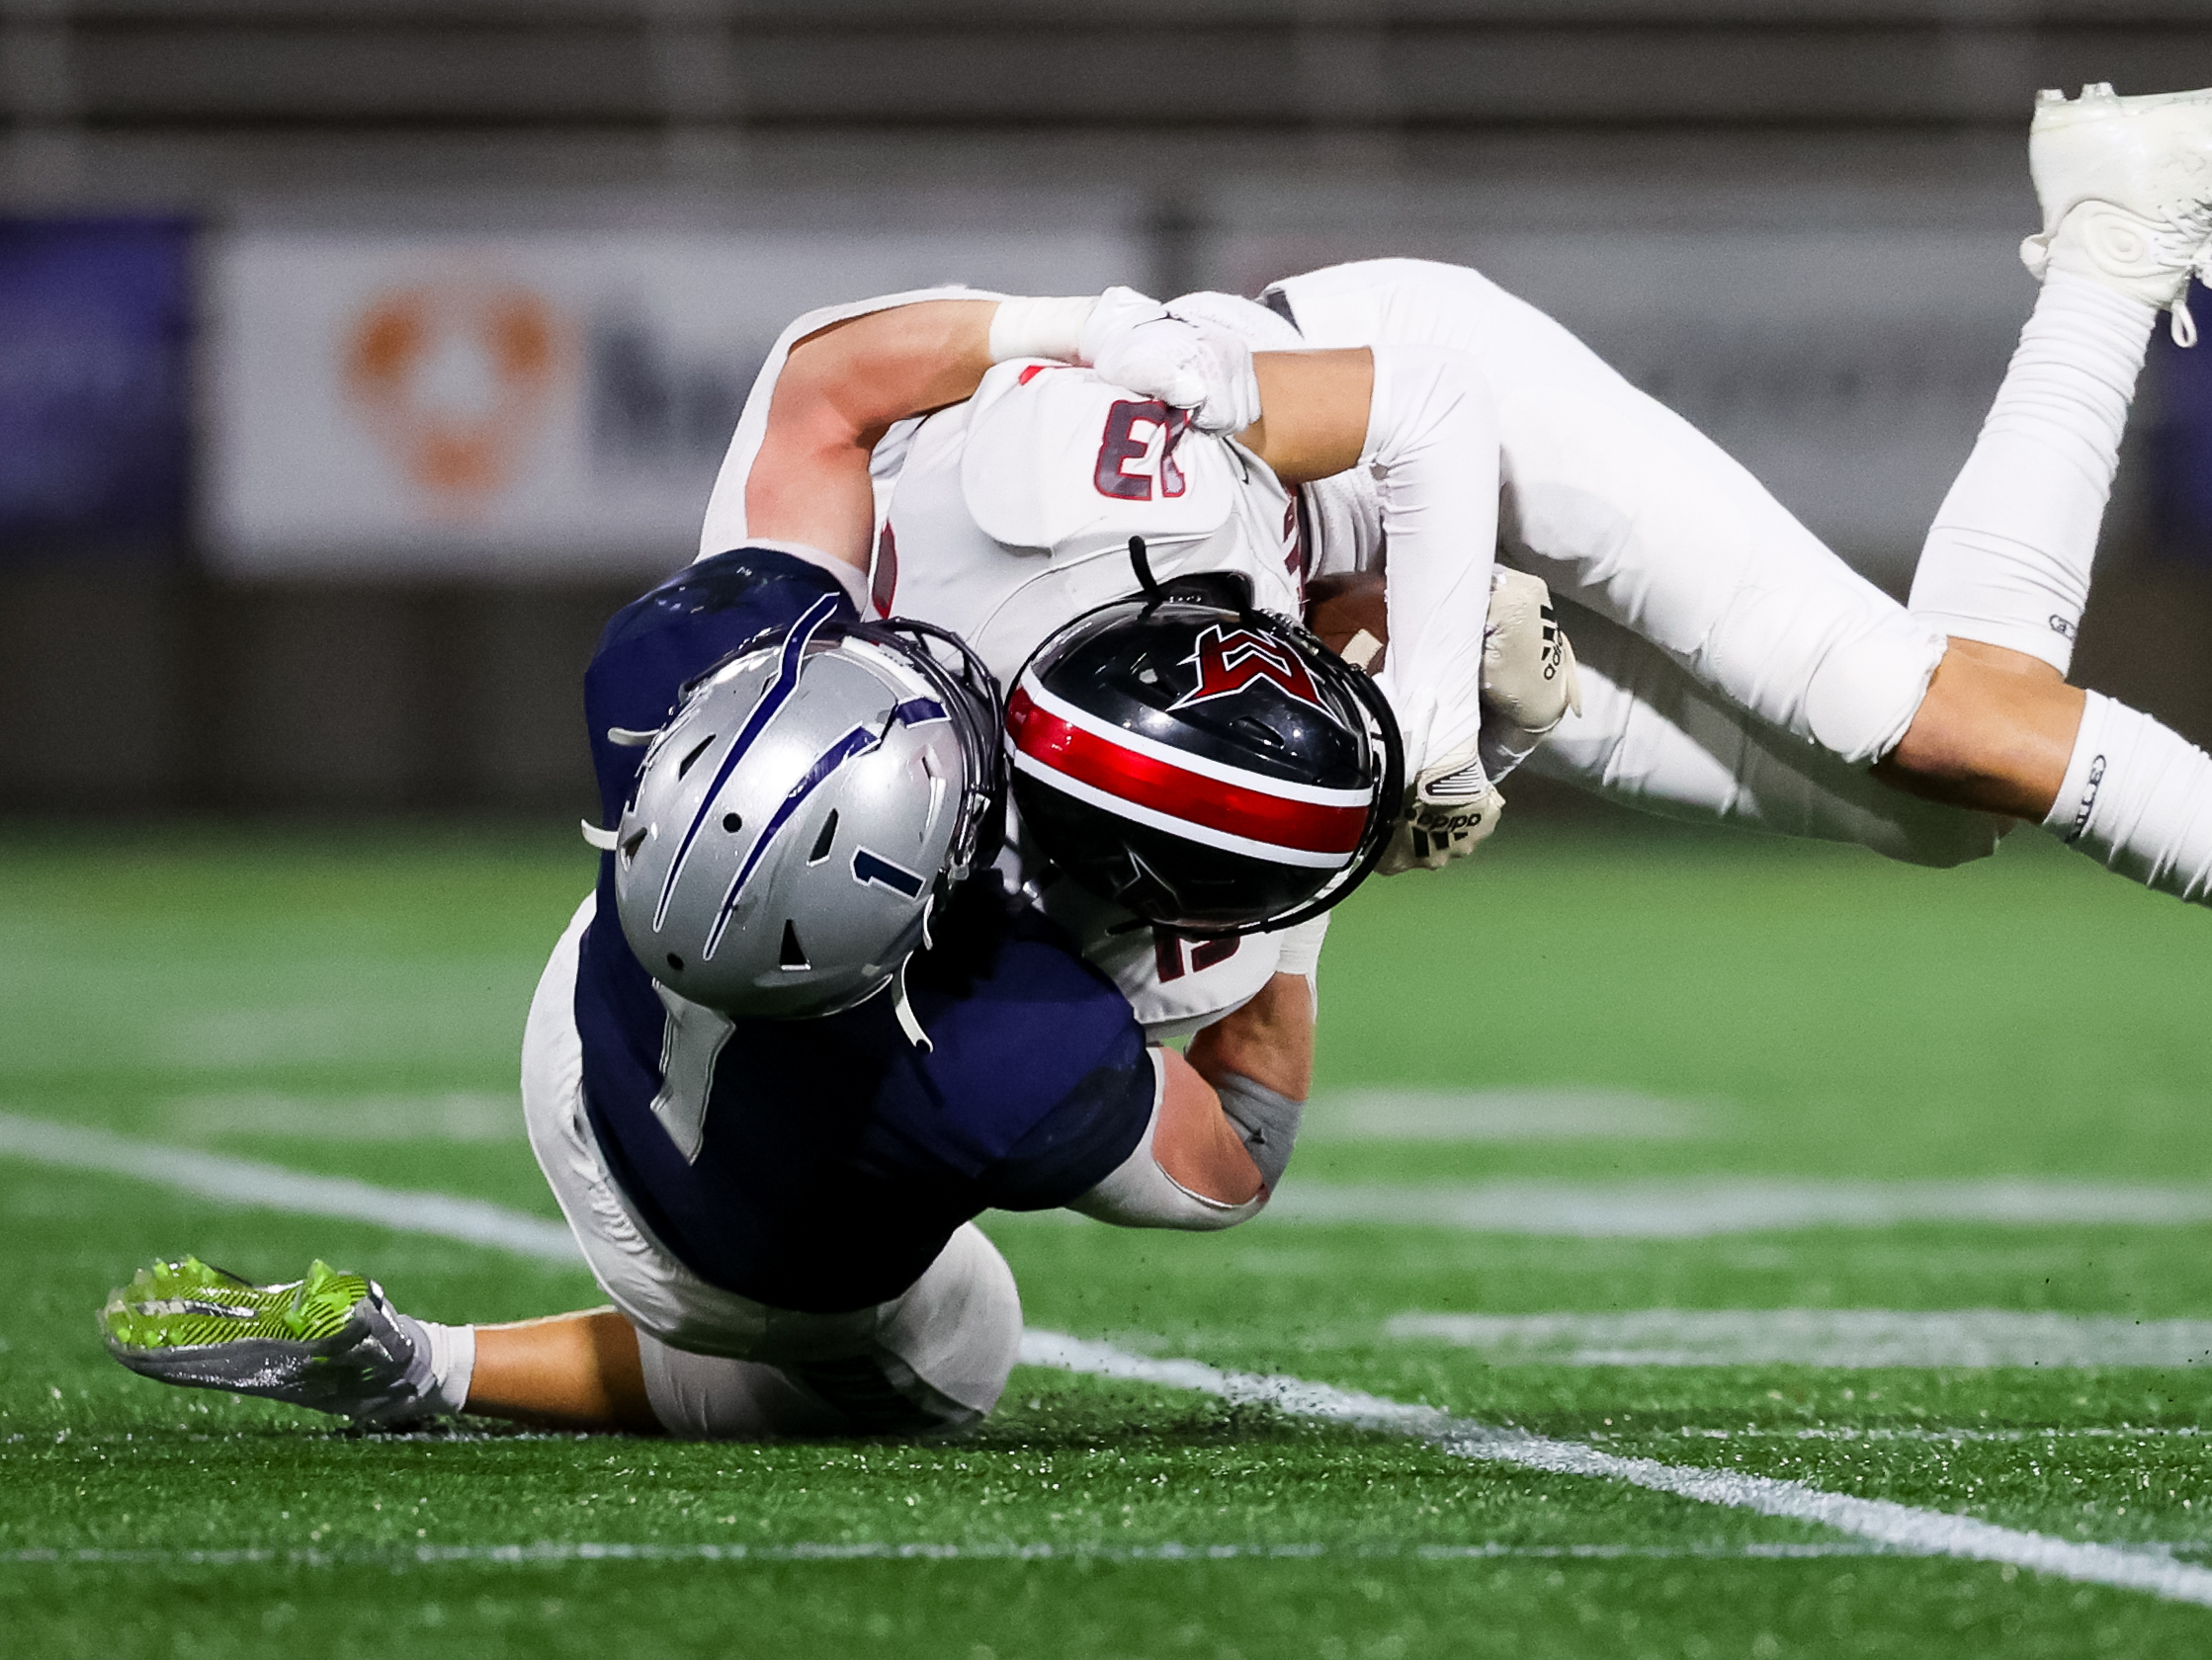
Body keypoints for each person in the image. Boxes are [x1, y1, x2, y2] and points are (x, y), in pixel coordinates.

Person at [98, 314, 1346, 1437]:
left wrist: (1061, 329)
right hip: (729, 1263)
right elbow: (1238, 1156)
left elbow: (821, 389)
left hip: (586, 1036)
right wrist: (1295, 892)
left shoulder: (673, 674)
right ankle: (432, 1365)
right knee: (962, 1345)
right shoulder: (1006, 1048)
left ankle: (410, 1360)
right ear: (930, 907)